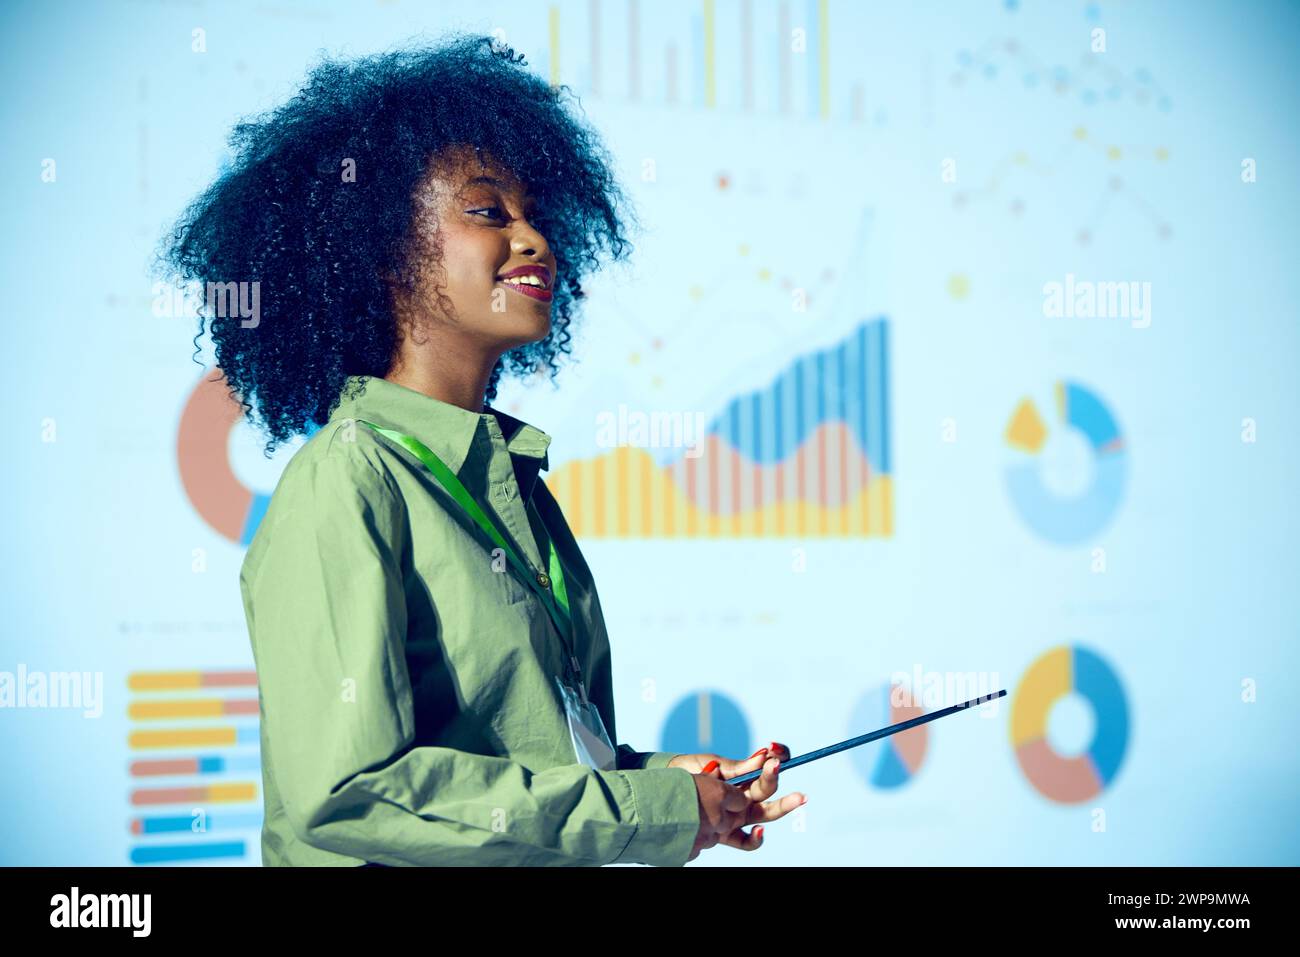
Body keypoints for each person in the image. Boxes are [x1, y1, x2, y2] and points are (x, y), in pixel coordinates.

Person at [158, 33, 806, 866]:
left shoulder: (517, 486)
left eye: (534, 213)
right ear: (386, 248)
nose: (535, 237)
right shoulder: (347, 481)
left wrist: (672, 785)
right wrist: (643, 807)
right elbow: (350, 788)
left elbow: (523, 758)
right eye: (489, 210)